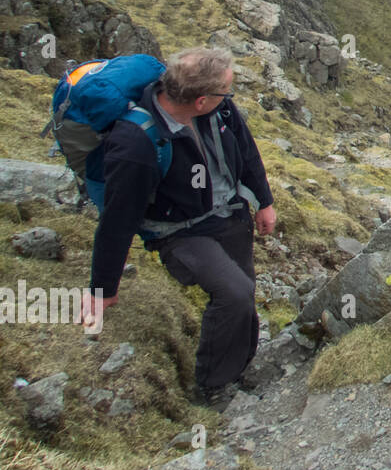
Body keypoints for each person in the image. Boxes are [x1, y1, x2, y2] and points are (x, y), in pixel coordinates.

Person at [80, 47, 276, 406]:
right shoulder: (135, 144)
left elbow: (247, 150)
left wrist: (264, 201)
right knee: (232, 293)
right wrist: (101, 288)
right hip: (181, 232)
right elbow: (117, 220)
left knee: (244, 291)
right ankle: (212, 387)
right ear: (201, 100)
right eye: (224, 92)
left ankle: (240, 365)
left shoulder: (219, 109)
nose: (228, 98)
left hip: (228, 212)